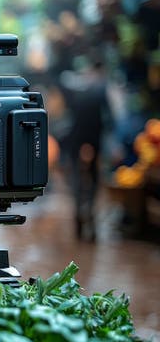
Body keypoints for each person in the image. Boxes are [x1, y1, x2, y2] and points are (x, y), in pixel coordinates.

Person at [58, 58, 110, 241]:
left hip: (76, 135)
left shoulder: (76, 86)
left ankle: (79, 205)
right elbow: (109, 115)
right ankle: (90, 208)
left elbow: (67, 111)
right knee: (95, 174)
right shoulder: (101, 87)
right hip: (95, 136)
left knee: (75, 174)